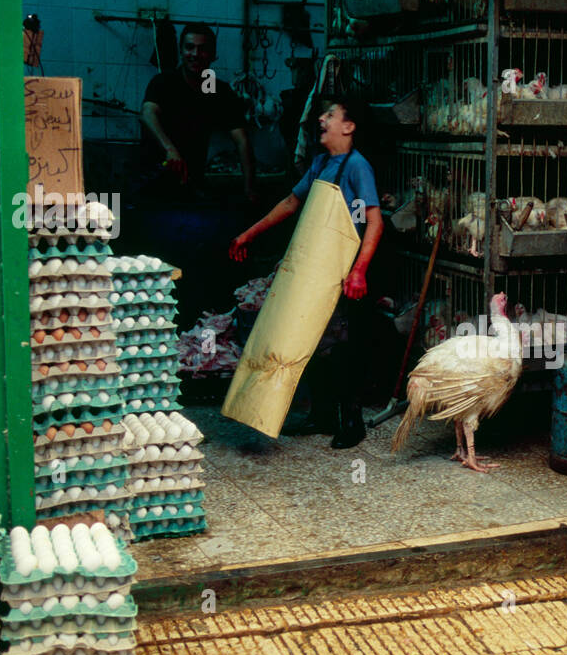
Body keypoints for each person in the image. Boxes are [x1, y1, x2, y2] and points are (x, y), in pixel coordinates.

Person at [229, 97, 385, 449]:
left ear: (349, 126)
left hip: (342, 274)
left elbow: (374, 224)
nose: (320, 119)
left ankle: (351, 421)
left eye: (330, 114)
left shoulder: (357, 167)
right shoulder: (319, 164)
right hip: (313, 271)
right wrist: (248, 234)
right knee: (312, 342)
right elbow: (290, 204)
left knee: (341, 347)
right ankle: (321, 415)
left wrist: (359, 271)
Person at [140, 23, 256, 203]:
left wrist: (249, 190)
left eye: (203, 49)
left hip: (191, 183)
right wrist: (170, 150)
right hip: (153, 178)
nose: (195, 54)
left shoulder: (218, 90)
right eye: (189, 47)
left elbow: (242, 140)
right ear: (181, 51)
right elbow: (148, 113)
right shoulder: (164, 82)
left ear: (213, 54)